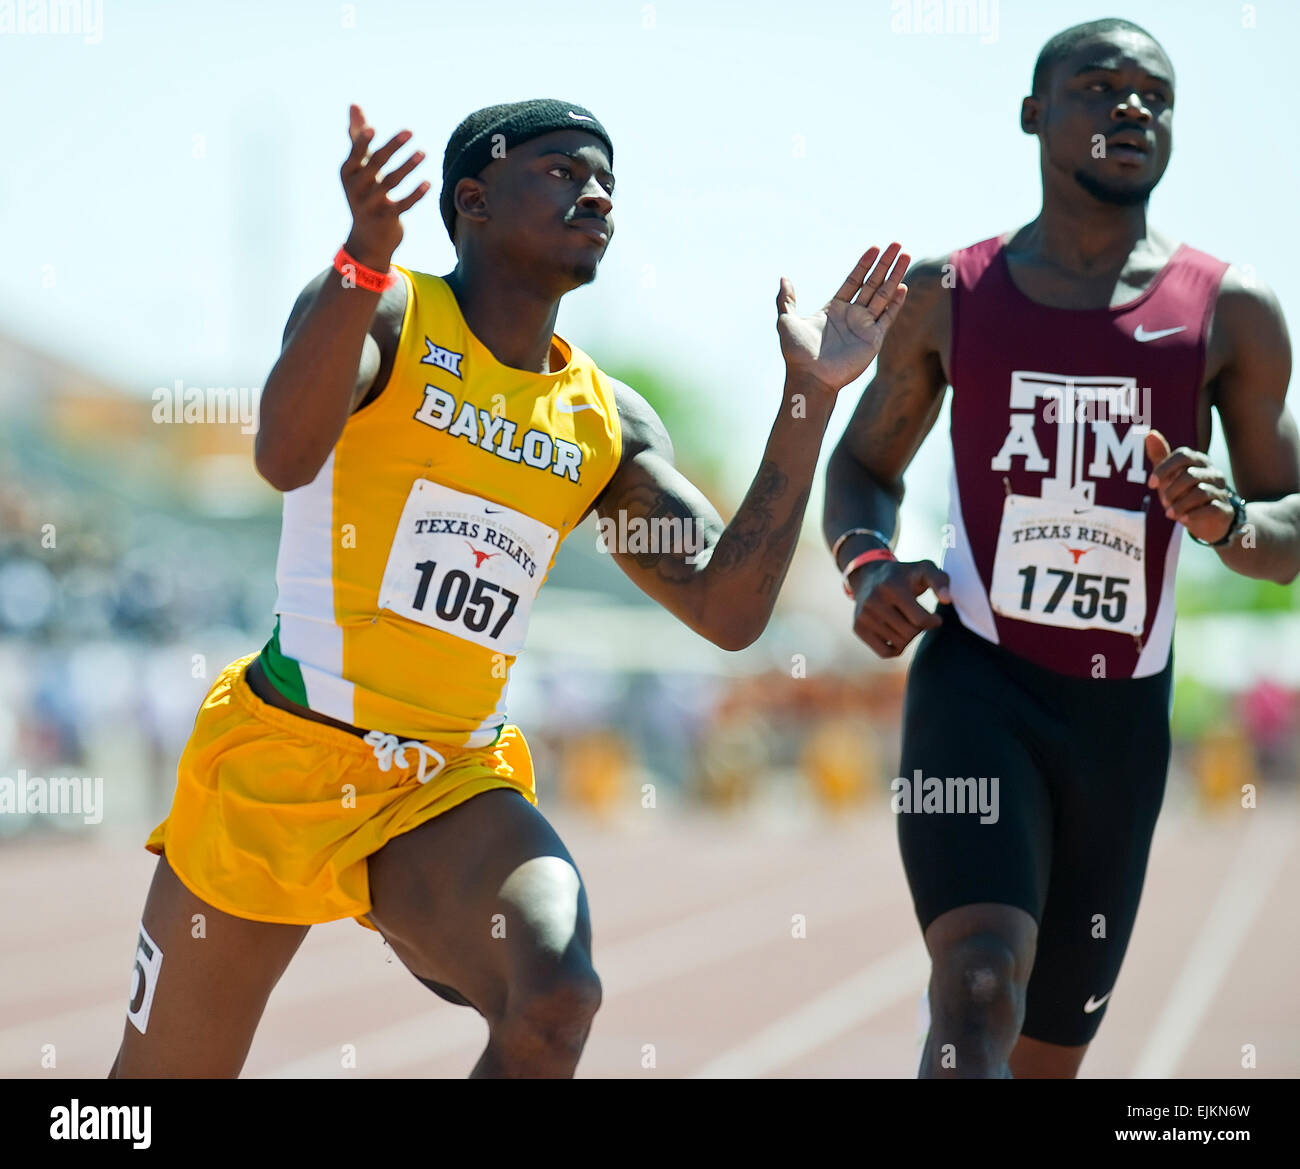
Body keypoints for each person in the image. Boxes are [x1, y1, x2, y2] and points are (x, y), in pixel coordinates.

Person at [110, 98, 908, 1078]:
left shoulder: (604, 421)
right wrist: (362, 255)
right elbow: (283, 454)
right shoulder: (387, 310)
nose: (597, 191)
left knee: (556, 998)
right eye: (564, 170)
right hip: (279, 757)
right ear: (473, 200)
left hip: (444, 782)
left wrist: (807, 397)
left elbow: (727, 606)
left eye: (608, 178)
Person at [823, 18, 1298, 1078]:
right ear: (1034, 115)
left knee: (1044, 1057)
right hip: (978, 684)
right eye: (1097, 86)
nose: (1130, 108)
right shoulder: (948, 293)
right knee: (979, 979)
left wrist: (1229, 520)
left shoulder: (1232, 313)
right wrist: (870, 565)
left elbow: (1289, 533)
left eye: (1153, 95)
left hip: (1118, 721)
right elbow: (860, 469)